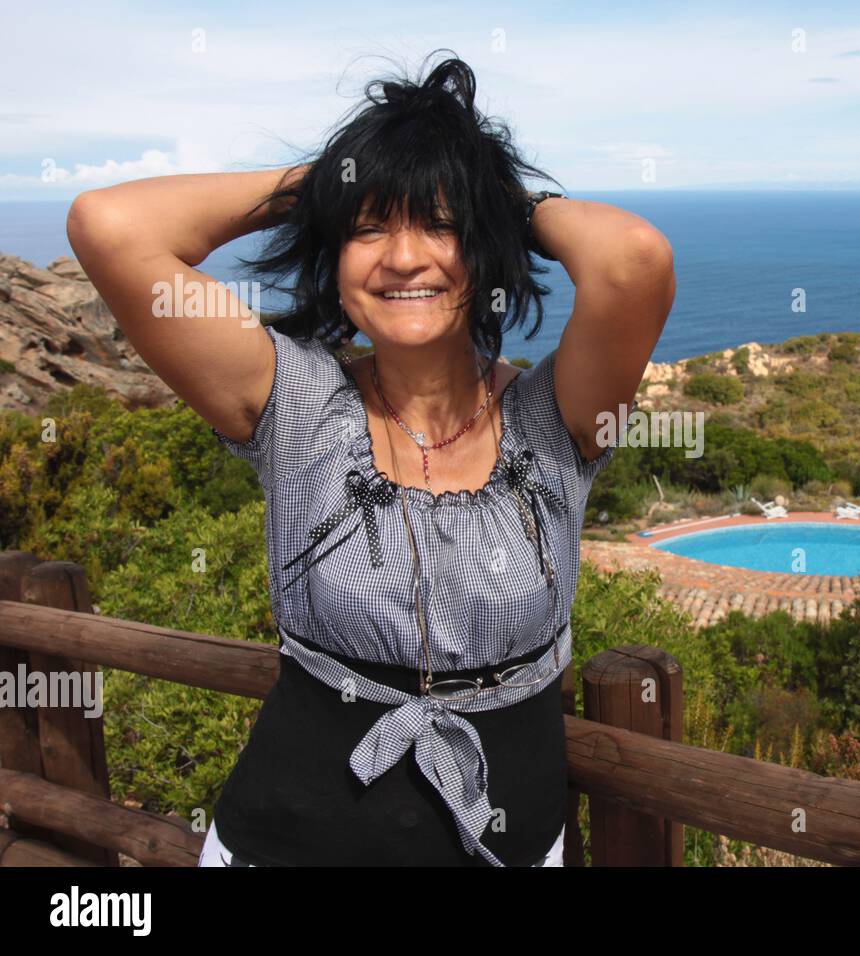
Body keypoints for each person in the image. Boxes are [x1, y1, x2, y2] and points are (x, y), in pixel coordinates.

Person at [66, 50, 674, 866]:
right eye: (367, 227)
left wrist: (493, 192)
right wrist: (336, 179)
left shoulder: (552, 423)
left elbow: (632, 259)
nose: (402, 257)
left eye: (439, 223)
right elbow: (109, 226)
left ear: (485, 246)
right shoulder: (295, 404)